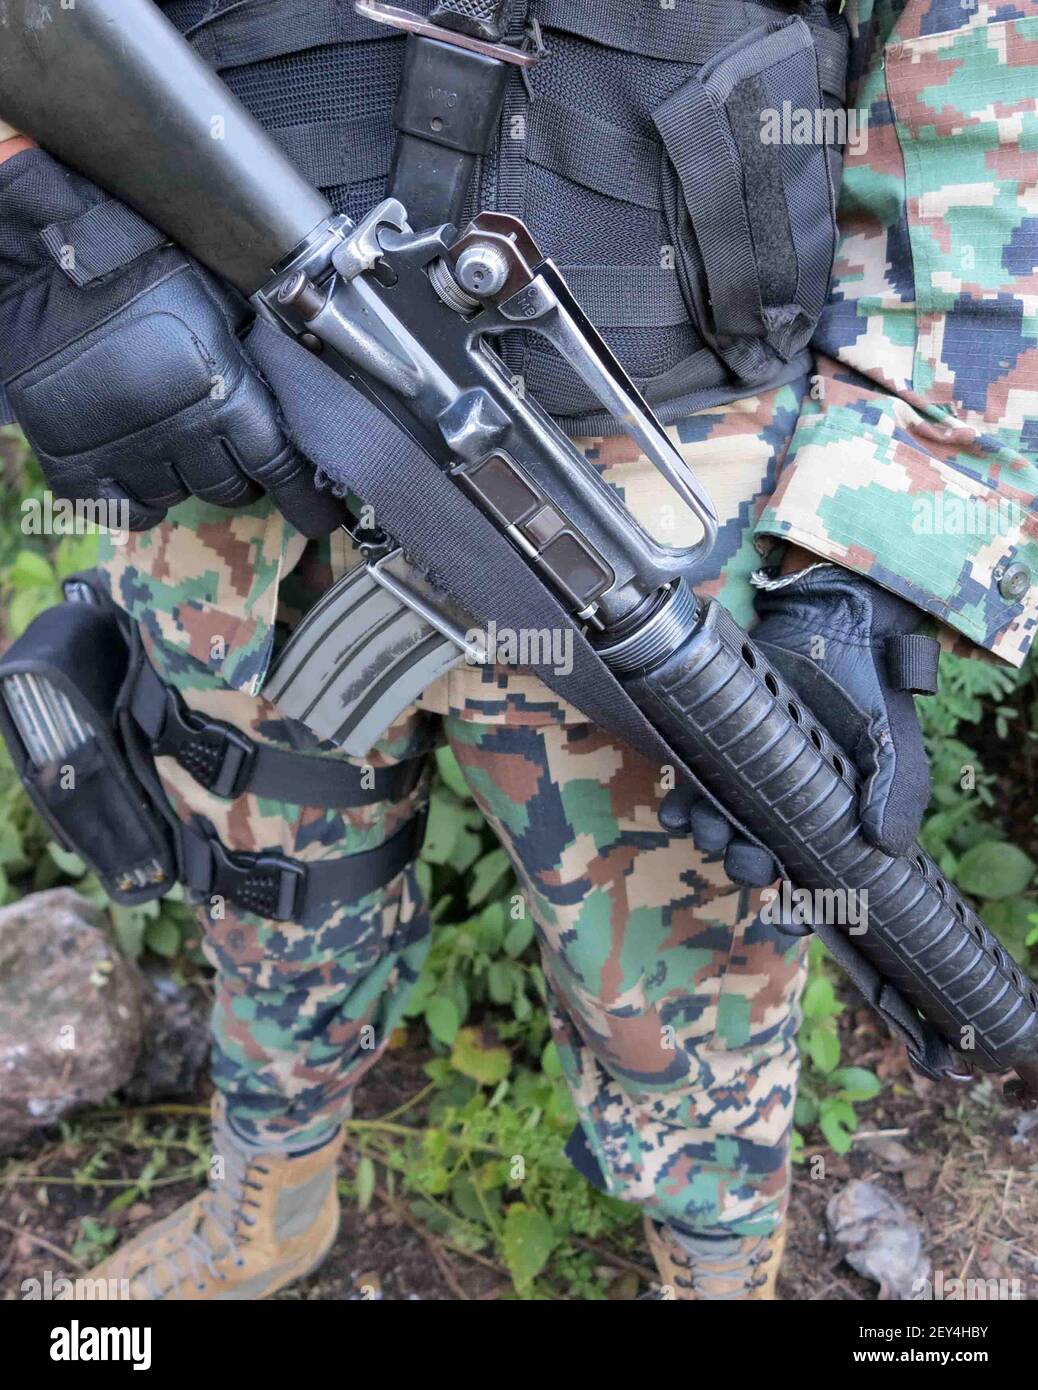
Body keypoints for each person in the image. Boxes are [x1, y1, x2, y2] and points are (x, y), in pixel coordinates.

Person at [0, 0, 1033, 1301]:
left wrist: (876, 549)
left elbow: (980, 86)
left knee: (681, 954)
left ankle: (716, 1264)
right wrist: (39, 236)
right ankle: (269, 1201)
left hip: (660, 443)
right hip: (221, 395)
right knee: (262, 875)